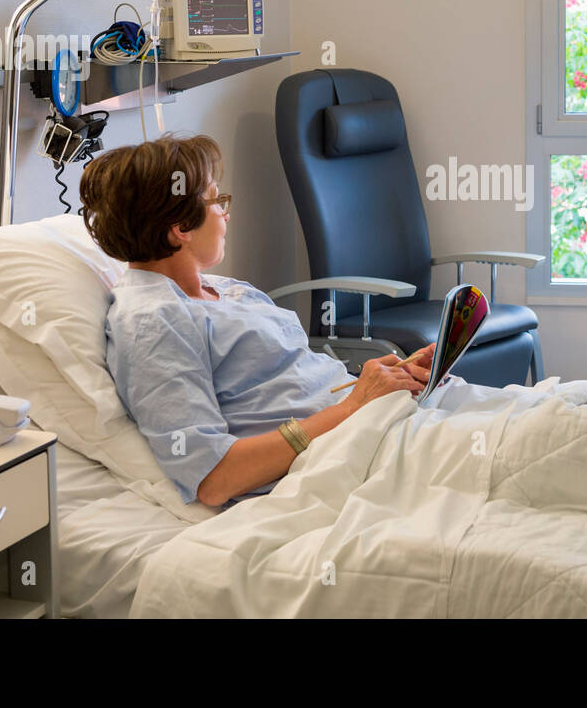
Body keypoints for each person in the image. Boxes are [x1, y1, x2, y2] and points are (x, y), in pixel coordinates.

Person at [78, 133, 434, 508]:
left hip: (383, 423)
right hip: (351, 452)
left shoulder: (225, 289)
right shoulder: (152, 322)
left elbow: (297, 377)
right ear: (181, 227)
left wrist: (384, 380)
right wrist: (352, 407)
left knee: (496, 419)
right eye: (218, 201)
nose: (226, 213)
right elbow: (215, 478)